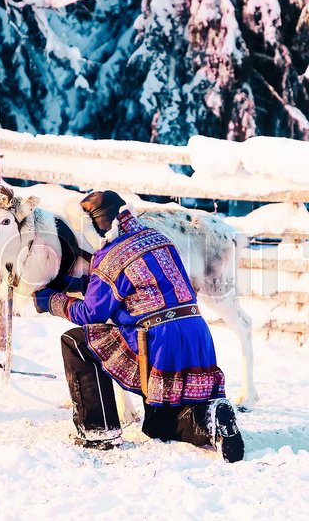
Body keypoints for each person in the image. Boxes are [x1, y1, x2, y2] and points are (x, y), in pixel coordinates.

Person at [33, 191, 245, 463]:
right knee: (158, 425)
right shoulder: (159, 239)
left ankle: (99, 431)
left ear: (97, 225)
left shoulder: (110, 257)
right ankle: (210, 419)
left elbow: (91, 312)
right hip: (196, 335)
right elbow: (132, 285)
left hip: (158, 341)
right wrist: (73, 286)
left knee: (76, 342)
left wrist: (51, 301)